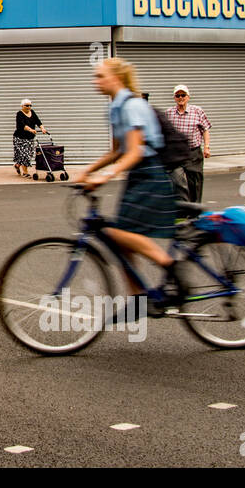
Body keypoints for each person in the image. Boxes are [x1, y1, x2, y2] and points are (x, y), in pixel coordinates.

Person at [71, 58, 181, 317]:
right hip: (137, 175)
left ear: (116, 79)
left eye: (99, 76)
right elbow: (116, 151)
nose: (94, 81)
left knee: (117, 234)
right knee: (122, 243)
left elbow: (132, 153)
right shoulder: (115, 108)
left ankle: (170, 264)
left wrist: (104, 177)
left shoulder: (132, 106)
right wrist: (88, 171)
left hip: (151, 173)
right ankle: (138, 301)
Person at [165, 84, 211, 202]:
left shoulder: (197, 111)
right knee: (177, 180)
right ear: (174, 98)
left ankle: (195, 209)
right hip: (176, 154)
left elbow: (205, 129)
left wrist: (206, 147)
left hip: (193, 153)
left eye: (183, 95)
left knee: (194, 183)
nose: (180, 98)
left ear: (188, 97)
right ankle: (183, 208)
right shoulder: (168, 113)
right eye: (178, 95)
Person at [12, 98, 45, 178]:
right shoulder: (19, 114)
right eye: (27, 105)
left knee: (28, 154)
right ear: (22, 106)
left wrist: (42, 128)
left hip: (30, 138)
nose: (29, 107)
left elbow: (38, 121)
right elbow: (22, 125)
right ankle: (25, 172)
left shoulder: (32, 112)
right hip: (20, 138)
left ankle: (17, 165)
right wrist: (31, 130)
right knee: (25, 154)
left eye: (30, 105)